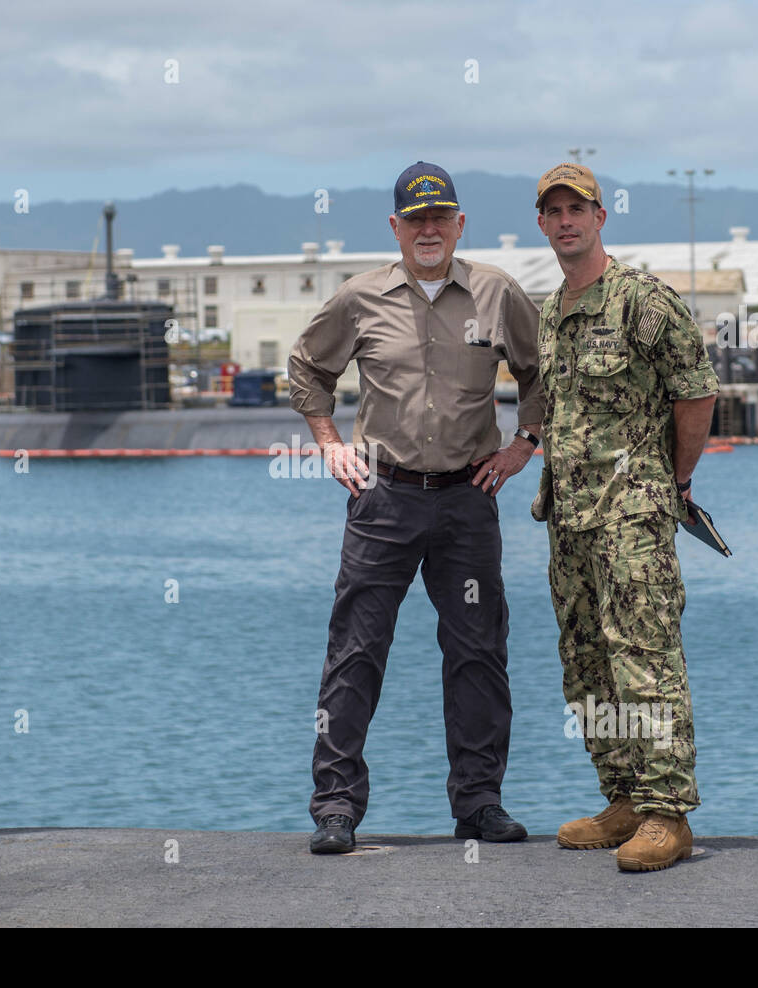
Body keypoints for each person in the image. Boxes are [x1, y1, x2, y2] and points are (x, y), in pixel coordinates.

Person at [289, 161, 545, 854]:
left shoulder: (497, 292)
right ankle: (336, 807)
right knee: (355, 652)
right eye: (416, 219)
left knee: (477, 654)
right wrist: (328, 442)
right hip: (384, 500)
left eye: (442, 218)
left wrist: (524, 444)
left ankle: (480, 805)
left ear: (460, 224)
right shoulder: (359, 298)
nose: (429, 230)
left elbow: (540, 369)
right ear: (396, 228)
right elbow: (308, 368)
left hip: (468, 499)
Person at [529, 162, 718, 871]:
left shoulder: (644, 301)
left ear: (600, 217)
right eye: (554, 211)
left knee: (644, 658)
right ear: (542, 224)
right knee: (587, 664)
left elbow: (695, 395)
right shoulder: (552, 312)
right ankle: (625, 799)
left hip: (632, 515)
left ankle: (668, 812)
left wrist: (674, 480)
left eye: (578, 208)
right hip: (570, 519)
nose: (567, 220)